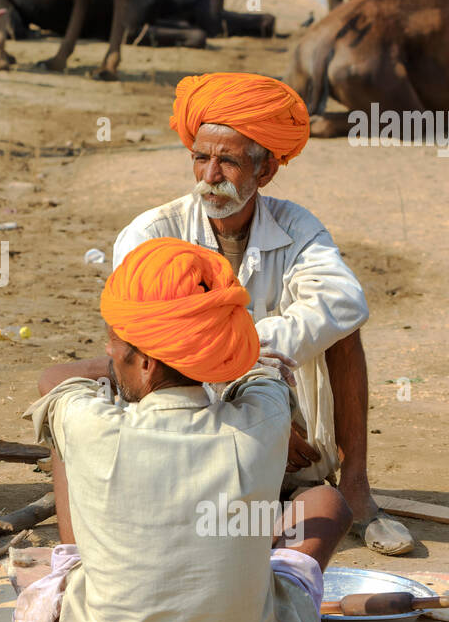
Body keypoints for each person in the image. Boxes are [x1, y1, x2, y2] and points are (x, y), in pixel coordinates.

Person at [47, 71, 412, 555]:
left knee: (345, 333)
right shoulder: (152, 233)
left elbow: (344, 302)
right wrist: (254, 397)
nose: (211, 177)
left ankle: (358, 491)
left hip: (279, 408)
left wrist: (251, 365)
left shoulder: (295, 225)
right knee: (103, 367)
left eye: (229, 162)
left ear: (265, 172)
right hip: (186, 416)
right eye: (201, 159)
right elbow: (152, 344)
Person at [0, 238, 351, 622]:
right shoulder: (264, 418)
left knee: (64, 433)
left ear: (144, 362)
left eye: (115, 346)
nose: (108, 351)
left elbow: (54, 380)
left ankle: (75, 555)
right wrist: (201, 358)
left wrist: (124, 364)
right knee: (327, 502)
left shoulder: (90, 424)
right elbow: (261, 370)